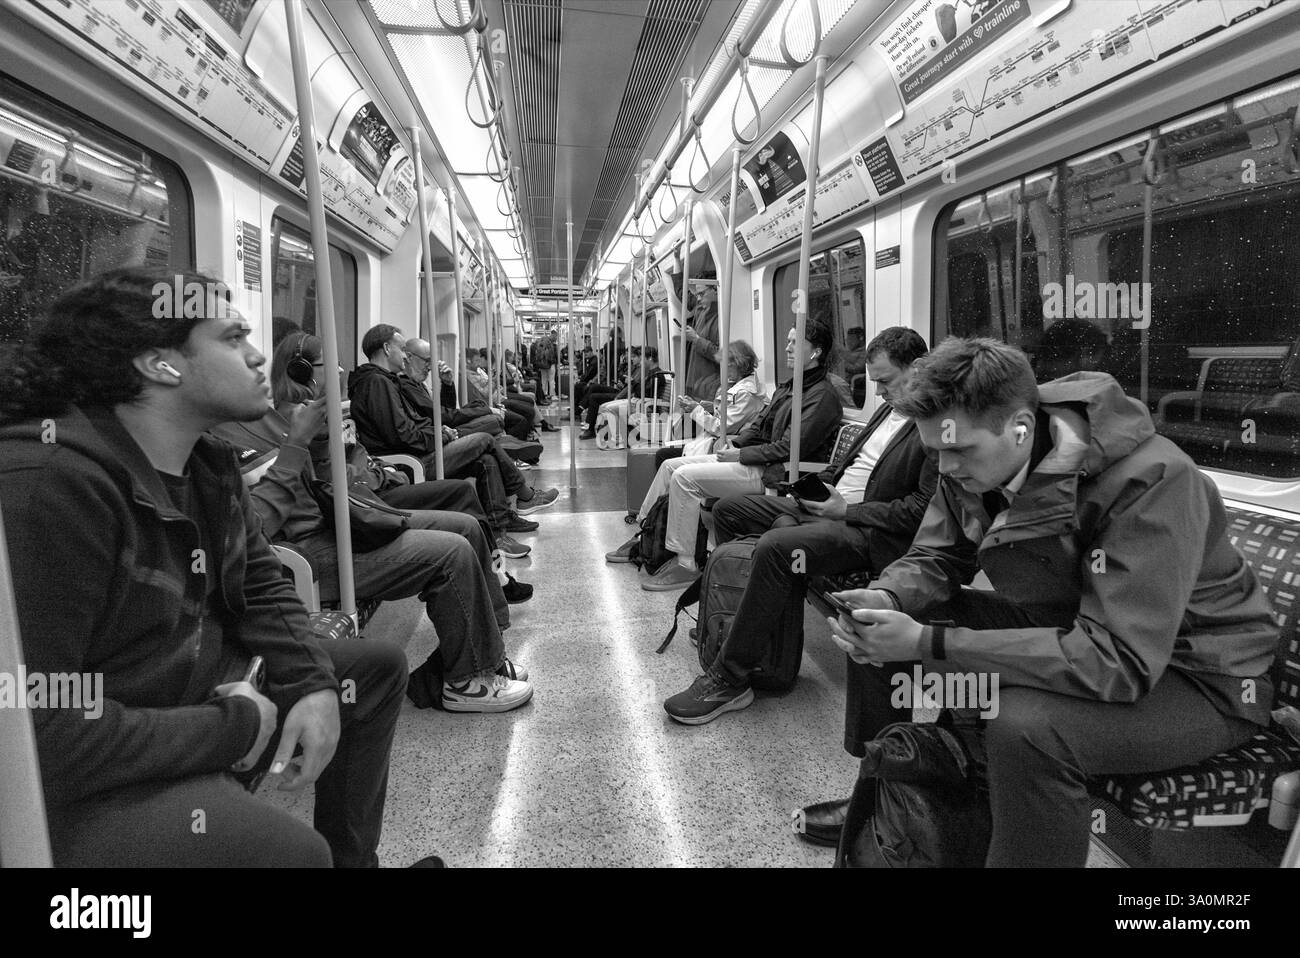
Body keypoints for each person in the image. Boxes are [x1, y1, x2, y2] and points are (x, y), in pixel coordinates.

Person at [0, 267, 419, 866]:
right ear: (159, 363)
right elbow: (35, 729)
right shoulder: (49, 489)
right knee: (292, 854)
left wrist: (314, 682)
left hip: (194, 690)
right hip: (81, 776)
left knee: (371, 670)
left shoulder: (208, 466)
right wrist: (231, 726)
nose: (256, 358)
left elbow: (263, 586)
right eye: (232, 338)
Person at [823, 337, 1278, 866]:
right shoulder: (969, 461)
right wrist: (888, 595)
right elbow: (936, 556)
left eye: (958, 450)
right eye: (934, 451)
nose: (944, 468)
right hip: (1073, 628)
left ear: (1020, 427)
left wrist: (930, 644)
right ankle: (899, 785)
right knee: (892, 617)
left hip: (1197, 676)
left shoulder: (1151, 480)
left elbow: (1119, 661)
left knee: (1026, 726)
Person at [661, 328, 937, 728]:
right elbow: (849, 469)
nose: (877, 392)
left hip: (867, 531)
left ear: (918, 370)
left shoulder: (931, 426)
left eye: (885, 381)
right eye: (874, 382)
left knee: (777, 548)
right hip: (830, 505)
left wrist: (847, 512)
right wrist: (820, 486)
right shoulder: (886, 411)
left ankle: (730, 677)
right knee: (729, 511)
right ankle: (741, 620)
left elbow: (920, 510)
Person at [631, 315, 845, 591]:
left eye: (795, 342)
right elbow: (758, 427)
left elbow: (789, 448)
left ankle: (685, 564)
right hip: (755, 457)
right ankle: (646, 530)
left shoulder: (822, 397)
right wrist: (736, 445)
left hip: (774, 471)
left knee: (684, 478)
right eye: (788, 341)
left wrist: (741, 455)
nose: (788, 347)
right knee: (671, 465)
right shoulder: (789, 386)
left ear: (816, 351)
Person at [347, 324, 557, 542]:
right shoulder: (378, 383)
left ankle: (499, 530)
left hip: (420, 450)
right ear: (387, 348)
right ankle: (524, 494)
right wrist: (440, 434)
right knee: (484, 439)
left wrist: (438, 428)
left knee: (485, 460)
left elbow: (417, 422)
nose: (405, 357)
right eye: (401, 349)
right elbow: (403, 436)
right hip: (412, 462)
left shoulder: (385, 381)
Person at [671, 339, 766, 456]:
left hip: (724, 444)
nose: (724, 371)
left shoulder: (745, 393)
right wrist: (707, 407)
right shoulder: (736, 386)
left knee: (665, 455)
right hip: (711, 441)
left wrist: (696, 410)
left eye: (728, 366)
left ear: (740, 364)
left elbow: (721, 428)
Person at [529, 331, 556, 404]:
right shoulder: (550, 346)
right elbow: (551, 357)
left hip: (542, 366)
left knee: (544, 380)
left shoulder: (539, 347)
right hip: (549, 365)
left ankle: (544, 394)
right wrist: (553, 361)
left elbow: (537, 357)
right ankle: (552, 395)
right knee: (551, 380)